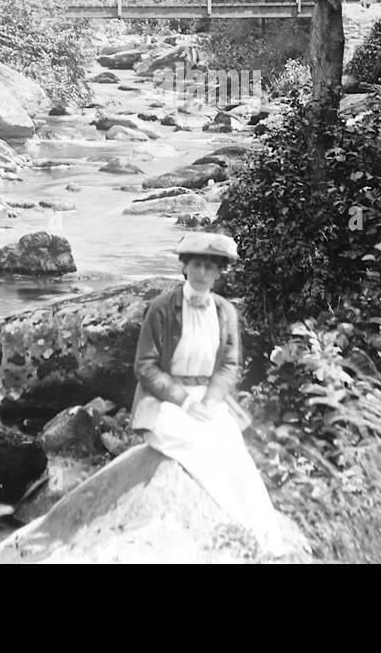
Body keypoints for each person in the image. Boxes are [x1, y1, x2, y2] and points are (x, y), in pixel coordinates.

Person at [130, 232, 286, 554]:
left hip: (208, 399)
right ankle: (226, 525)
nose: (202, 273)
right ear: (184, 267)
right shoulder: (161, 308)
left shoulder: (225, 311)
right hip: (166, 401)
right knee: (196, 446)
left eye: (210, 267)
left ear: (219, 273)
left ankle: (262, 539)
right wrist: (186, 401)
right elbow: (145, 367)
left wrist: (211, 401)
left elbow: (229, 365)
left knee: (234, 454)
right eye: (197, 265)